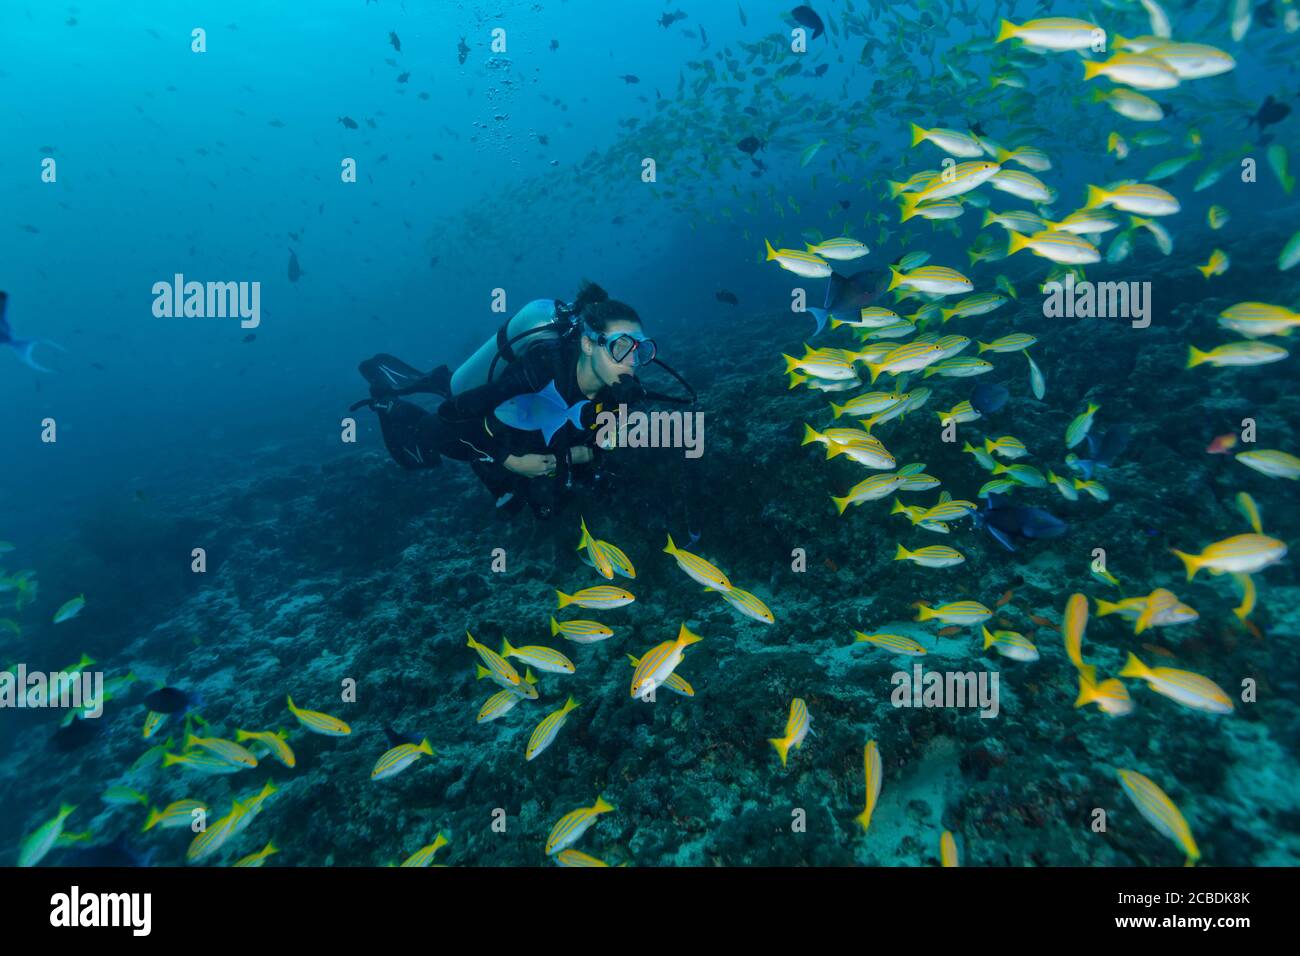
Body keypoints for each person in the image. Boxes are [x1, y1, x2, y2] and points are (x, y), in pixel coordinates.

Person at [355, 281, 654, 519]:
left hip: (524, 429)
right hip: (484, 421)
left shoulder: (619, 390)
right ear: (588, 344)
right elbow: (450, 416)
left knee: (542, 509)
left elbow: (602, 443)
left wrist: (582, 457)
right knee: (431, 439)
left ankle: (440, 381)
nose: (631, 363)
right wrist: (511, 461)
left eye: (641, 351)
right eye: (621, 347)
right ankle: (392, 404)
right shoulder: (539, 371)